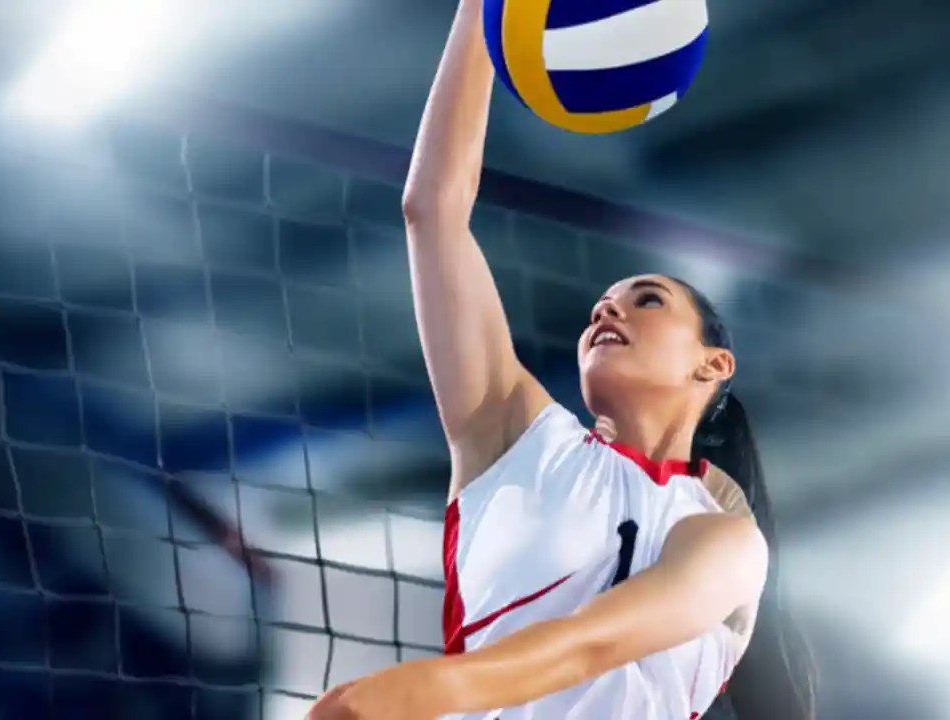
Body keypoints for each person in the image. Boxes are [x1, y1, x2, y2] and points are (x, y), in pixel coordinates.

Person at [308, 0, 815, 717]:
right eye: (599, 305)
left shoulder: (724, 536)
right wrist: (484, 15)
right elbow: (433, 209)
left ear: (713, 365)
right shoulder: (514, 434)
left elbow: (591, 645)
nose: (606, 310)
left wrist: (426, 688)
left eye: (646, 300)